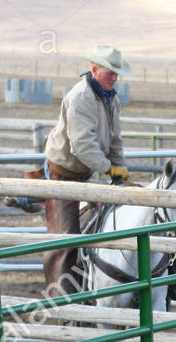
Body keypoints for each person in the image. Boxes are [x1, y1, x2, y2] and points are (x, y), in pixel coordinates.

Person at [42, 43, 132, 297]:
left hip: (86, 170)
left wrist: (120, 170)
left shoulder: (110, 97)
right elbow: (82, 146)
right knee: (66, 237)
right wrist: (110, 168)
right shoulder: (80, 97)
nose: (114, 78)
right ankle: (62, 300)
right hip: (64, 173)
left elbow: (115, 139)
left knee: (102, 224)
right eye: (109, 73)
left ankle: (93, 286)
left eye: (116, 73)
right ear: (94, 70)